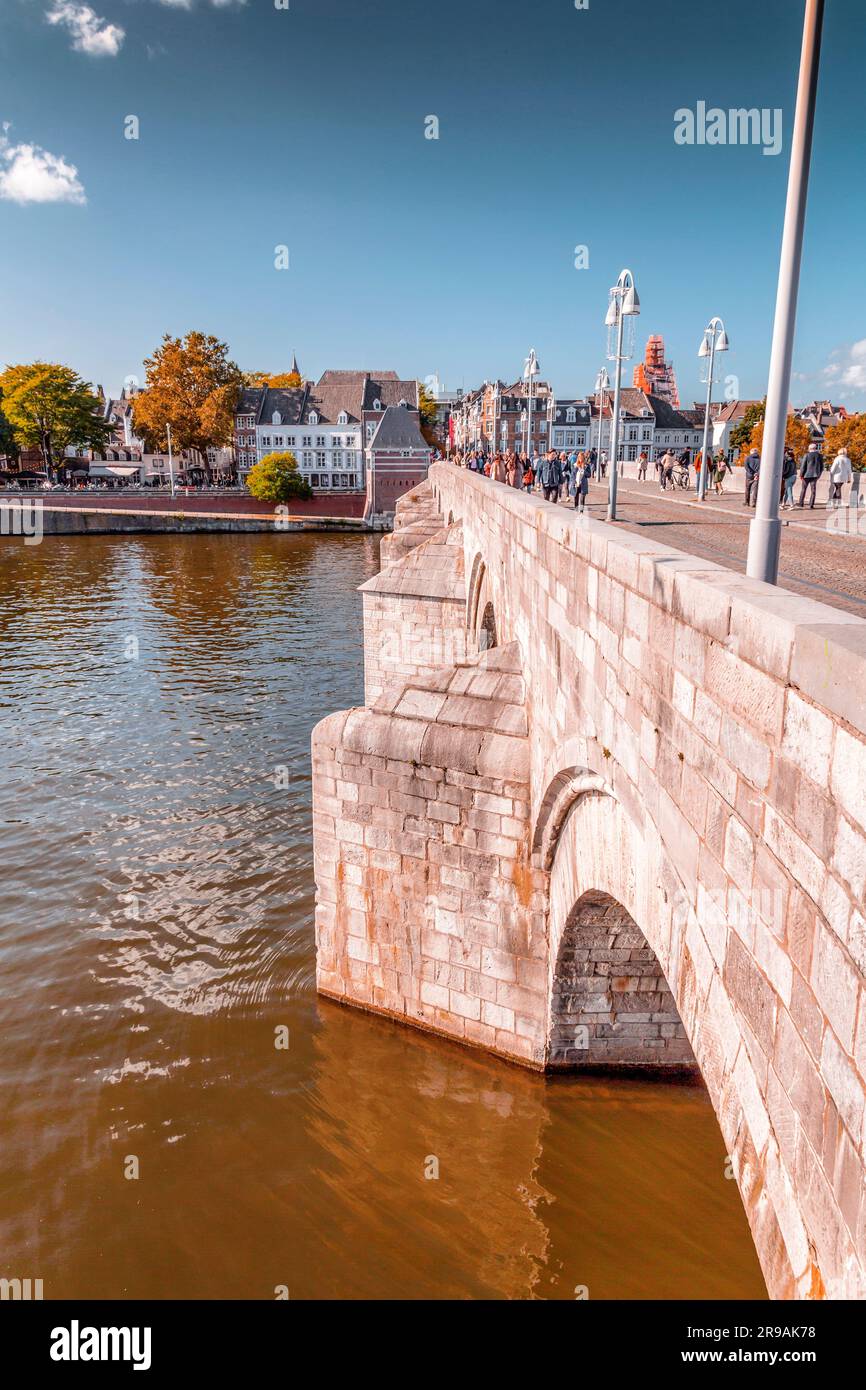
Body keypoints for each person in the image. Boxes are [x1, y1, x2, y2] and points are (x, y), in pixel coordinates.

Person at [797, 442, 824, 509]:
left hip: (806, 475)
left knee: (803, 489)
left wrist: (801, 475)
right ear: (815, 448)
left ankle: (801, 503)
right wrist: (819, 474)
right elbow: (822, 467)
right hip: (815, 475)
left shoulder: (807, 455)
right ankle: (811, 504)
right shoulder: (820, 455)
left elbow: (803, 466)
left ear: (809, 448)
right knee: (813, 490)